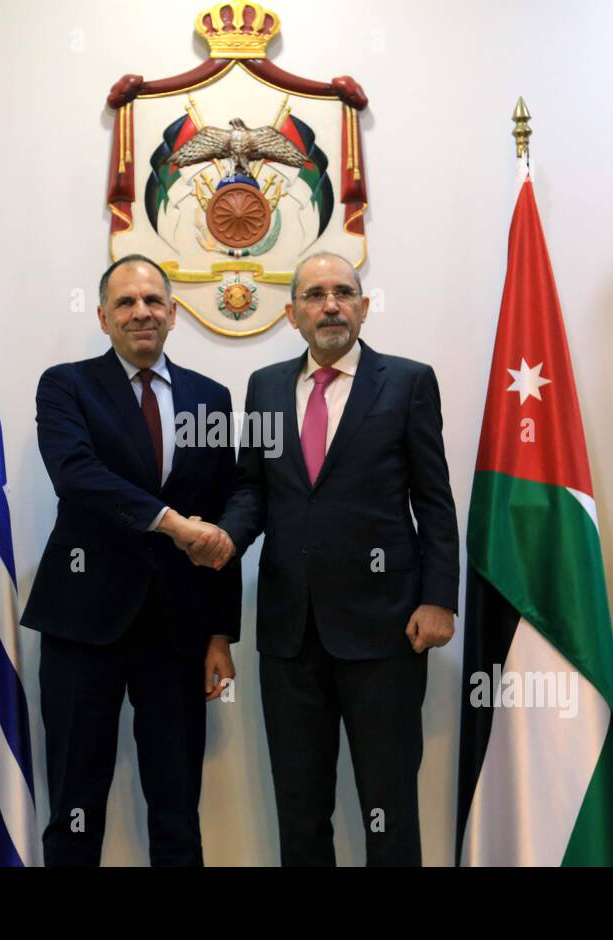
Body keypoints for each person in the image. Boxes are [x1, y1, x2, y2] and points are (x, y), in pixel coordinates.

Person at [191, 252, 460, 866]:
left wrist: (440, 598)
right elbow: (253, 490)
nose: (330, 304)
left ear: (363, 307)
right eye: (315, 294)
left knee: (387, 807)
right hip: (291, 635)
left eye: (344, 292)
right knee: (301, 808)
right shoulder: (264, 387)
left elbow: (434, 502)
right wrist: (228, 538)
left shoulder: (408, 381)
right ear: (292, 313)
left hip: (387, 630)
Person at [21, 254, 240, 866]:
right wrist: (171, 524)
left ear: (173, 314)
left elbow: (221, 513)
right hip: (83, 624)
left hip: (178, 632)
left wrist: (220, 634)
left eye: (152, 302)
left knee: (176, 807)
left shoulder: (211, 399)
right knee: (74, 804)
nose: (140, 312)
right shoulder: (65, 385)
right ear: (102, 317)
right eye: (125, 303)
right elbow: (76, 476)